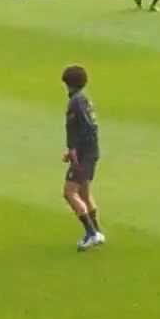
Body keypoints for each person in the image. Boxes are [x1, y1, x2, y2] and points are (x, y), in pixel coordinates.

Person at [61, 65, 104, 251]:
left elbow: (84, 128)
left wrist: (75, 150)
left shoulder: (76, 102)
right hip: (91, 151)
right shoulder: (84, 100)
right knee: (85, 192)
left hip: (84, 153)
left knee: (70, 192)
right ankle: (98, 232)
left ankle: (91, 234)